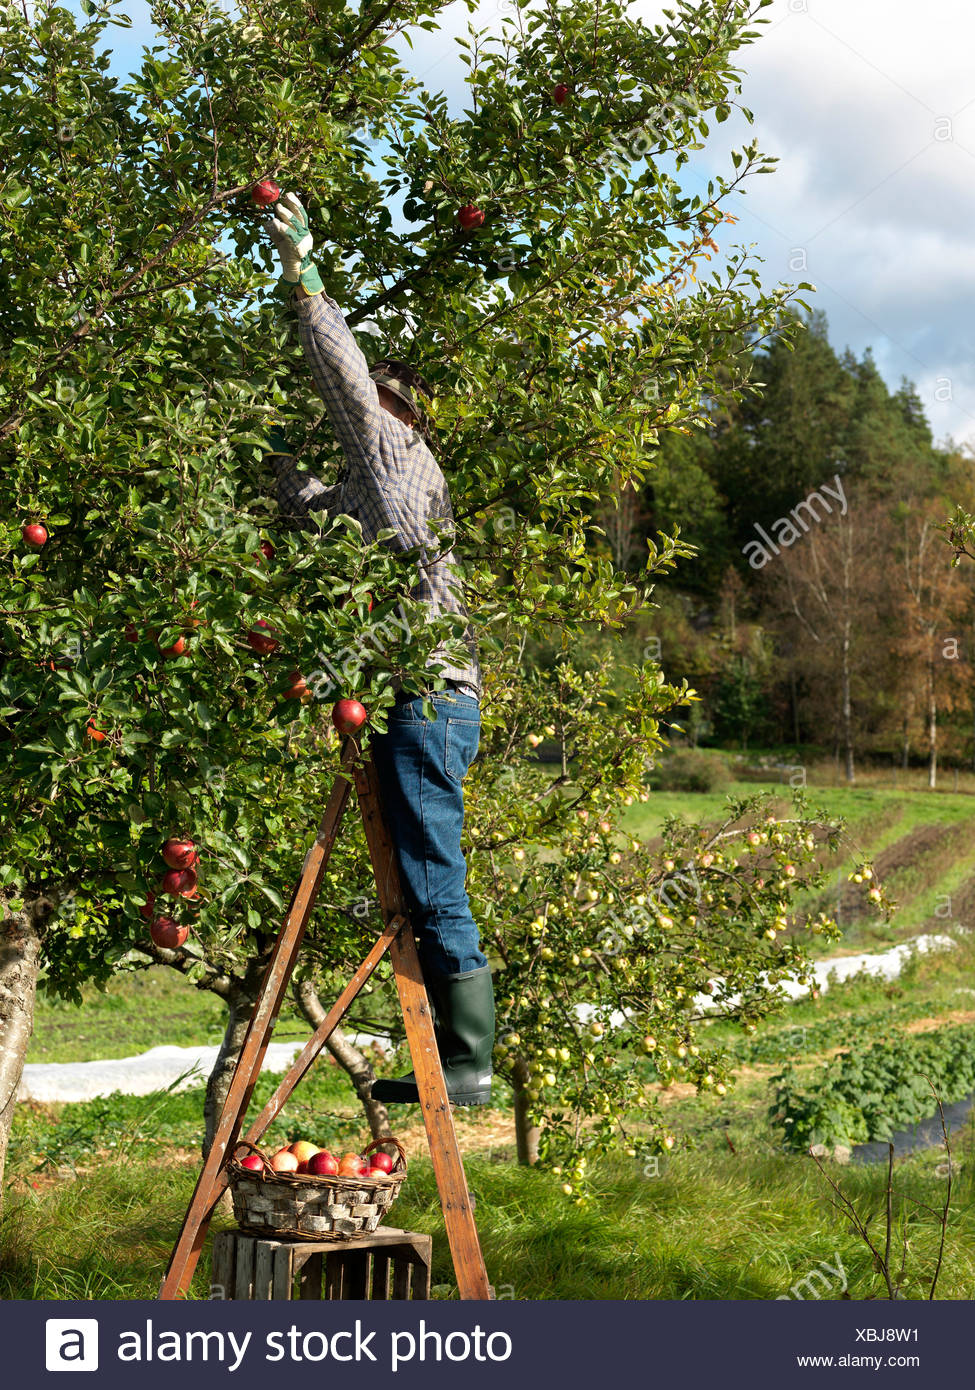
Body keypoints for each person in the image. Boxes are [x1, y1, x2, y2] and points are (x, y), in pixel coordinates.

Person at [263, 192, 494, 1106]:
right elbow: (310, 504)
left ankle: (470, 1065)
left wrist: (304, 276)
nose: (355, 420)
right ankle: (450, 1053)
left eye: (374, 405)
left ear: (397, 413)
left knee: (435, 877)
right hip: (424, 700)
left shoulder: (398, 458)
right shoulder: (380, 500)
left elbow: (346, 387)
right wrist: (262, 433)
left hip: (430, 699)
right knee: (418, 878)